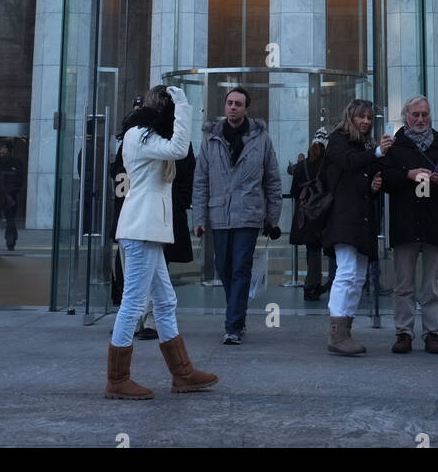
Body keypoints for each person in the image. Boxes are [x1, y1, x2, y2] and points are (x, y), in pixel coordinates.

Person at [106, 84, 217, 399]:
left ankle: (183, 374)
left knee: (165, 302)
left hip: (149, 229)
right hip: (141, 228)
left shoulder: (145, 135)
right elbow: (180, 150)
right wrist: (183, 106)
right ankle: (117, 378)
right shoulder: (140, 136)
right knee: (134, 302)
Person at [192, 86, 282, 344]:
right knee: (224, 267)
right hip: (219, 213)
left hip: (249, 213)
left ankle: (232, 326)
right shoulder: (210, 139)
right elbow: (201, 181)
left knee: (241, 266)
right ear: (225, 106)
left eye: (238, 104)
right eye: (229, 102)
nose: (233, 107)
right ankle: (238, 316)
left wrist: (272, 217)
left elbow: (273, 180)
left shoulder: (261, 139)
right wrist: (199, 218)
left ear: (246, 108)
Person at [380, 95, 438, 355]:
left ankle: (432, 333)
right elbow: (383, 179)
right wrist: (408, 174)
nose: (420, 119)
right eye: (415, 114)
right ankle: (403, 332)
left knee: (433, 286)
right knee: (403, 284)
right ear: (406, 116)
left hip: (434, 223)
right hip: (405, 223)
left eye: (424, 114)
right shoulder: (395, 146)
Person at [322, 99, 384, 356]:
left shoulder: (365, 144)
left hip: (361, 217)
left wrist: (372, 185)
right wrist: (377, 153)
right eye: (362, 117)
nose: (366, 122)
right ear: (351, 117)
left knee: (358, 277)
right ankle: (337, 333)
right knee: (346, 272)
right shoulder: (338, 139)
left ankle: (346, 329)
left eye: (369, 117)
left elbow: (358, 177)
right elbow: (348, 163)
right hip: (343, 217)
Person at [134, 143, 196, 339]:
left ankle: (149, 320)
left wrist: (181, 202)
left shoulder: (175, 142)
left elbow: (187, 173)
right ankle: (139, 320)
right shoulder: (139, 136)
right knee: (143, 274)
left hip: (165, 212)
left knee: (156, 275)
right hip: (142, 212)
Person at [288, 134, 335, 300]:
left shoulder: (301, 166)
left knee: (313, 250)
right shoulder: (328, 165)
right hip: (326, 211)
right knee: (332, 249)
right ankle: (332, 283)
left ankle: (311, 285)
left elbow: (294, 191)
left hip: (308, 214)